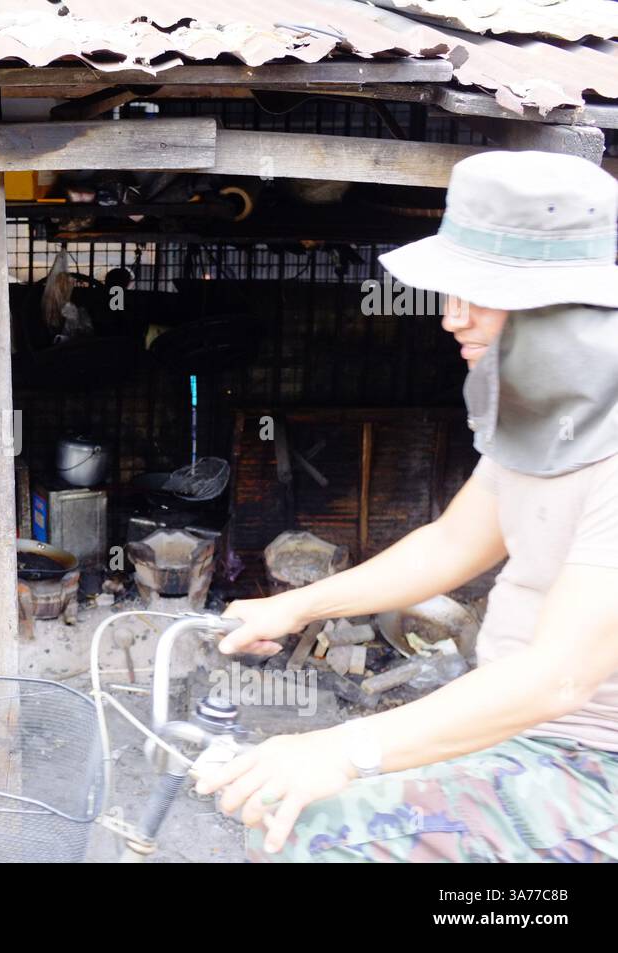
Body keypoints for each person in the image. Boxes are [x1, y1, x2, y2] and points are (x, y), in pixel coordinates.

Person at [197, 150, 618, 863]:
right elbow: (454, 543)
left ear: (569, 300)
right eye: (452, 292)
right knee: (276, 801)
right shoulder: (547, 407)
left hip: (591, 758)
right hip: (517, 723)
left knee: (312, 829)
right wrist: (293, 607)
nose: (453, 317)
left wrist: (344, 747)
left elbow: (561, 676)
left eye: (481, 294)